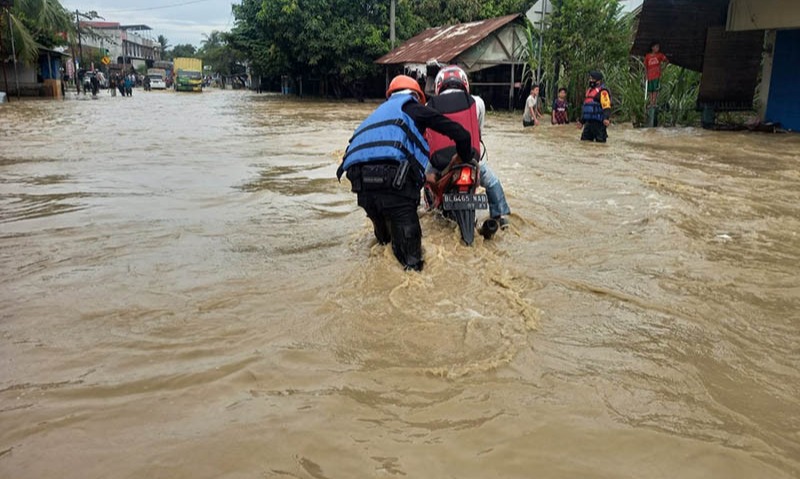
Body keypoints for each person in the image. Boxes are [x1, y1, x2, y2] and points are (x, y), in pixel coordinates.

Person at [337, 75, 472, 271]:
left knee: (383, 249)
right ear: (417, 95)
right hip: (394, 188)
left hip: (361, 185)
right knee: (411, 266)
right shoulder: (414, 108)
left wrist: (424, 177)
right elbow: (462, 134)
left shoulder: (376, 115)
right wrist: (462, 157)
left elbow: (380, 155)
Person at [425, 65, 511, 227]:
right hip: (469, 158)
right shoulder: (476, 102)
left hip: (441, 163)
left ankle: (431, 208)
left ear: (438, 85)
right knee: (492, 182)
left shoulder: (430, 104)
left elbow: (429, 137)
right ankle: (500, 216)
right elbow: (478, 131)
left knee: (426, 178)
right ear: (464, 82)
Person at [577, 71, 612, 143]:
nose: (590, 81)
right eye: (590, 79)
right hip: (588, 124)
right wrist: (581, 121)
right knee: (584, 142)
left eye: (592, 79)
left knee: (600, 144)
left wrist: (606, 118)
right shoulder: (589, 91)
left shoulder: (603, 92)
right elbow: (586, 109)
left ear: (598, 81)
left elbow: (606, 107)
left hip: (599, 124)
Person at [645, 41, 669, 107]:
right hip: (650, 76)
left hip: (656, 75)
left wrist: (662, 69)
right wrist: (646, 75)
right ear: (652, 48)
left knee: (655, 89)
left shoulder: (660, 55)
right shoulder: (648, 56)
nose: (658, 48)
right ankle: (651, 102)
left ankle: (654, 103)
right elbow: (646, 66)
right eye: (656, 47)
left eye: (658, 47)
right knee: (650, 89)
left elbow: (666, 61)